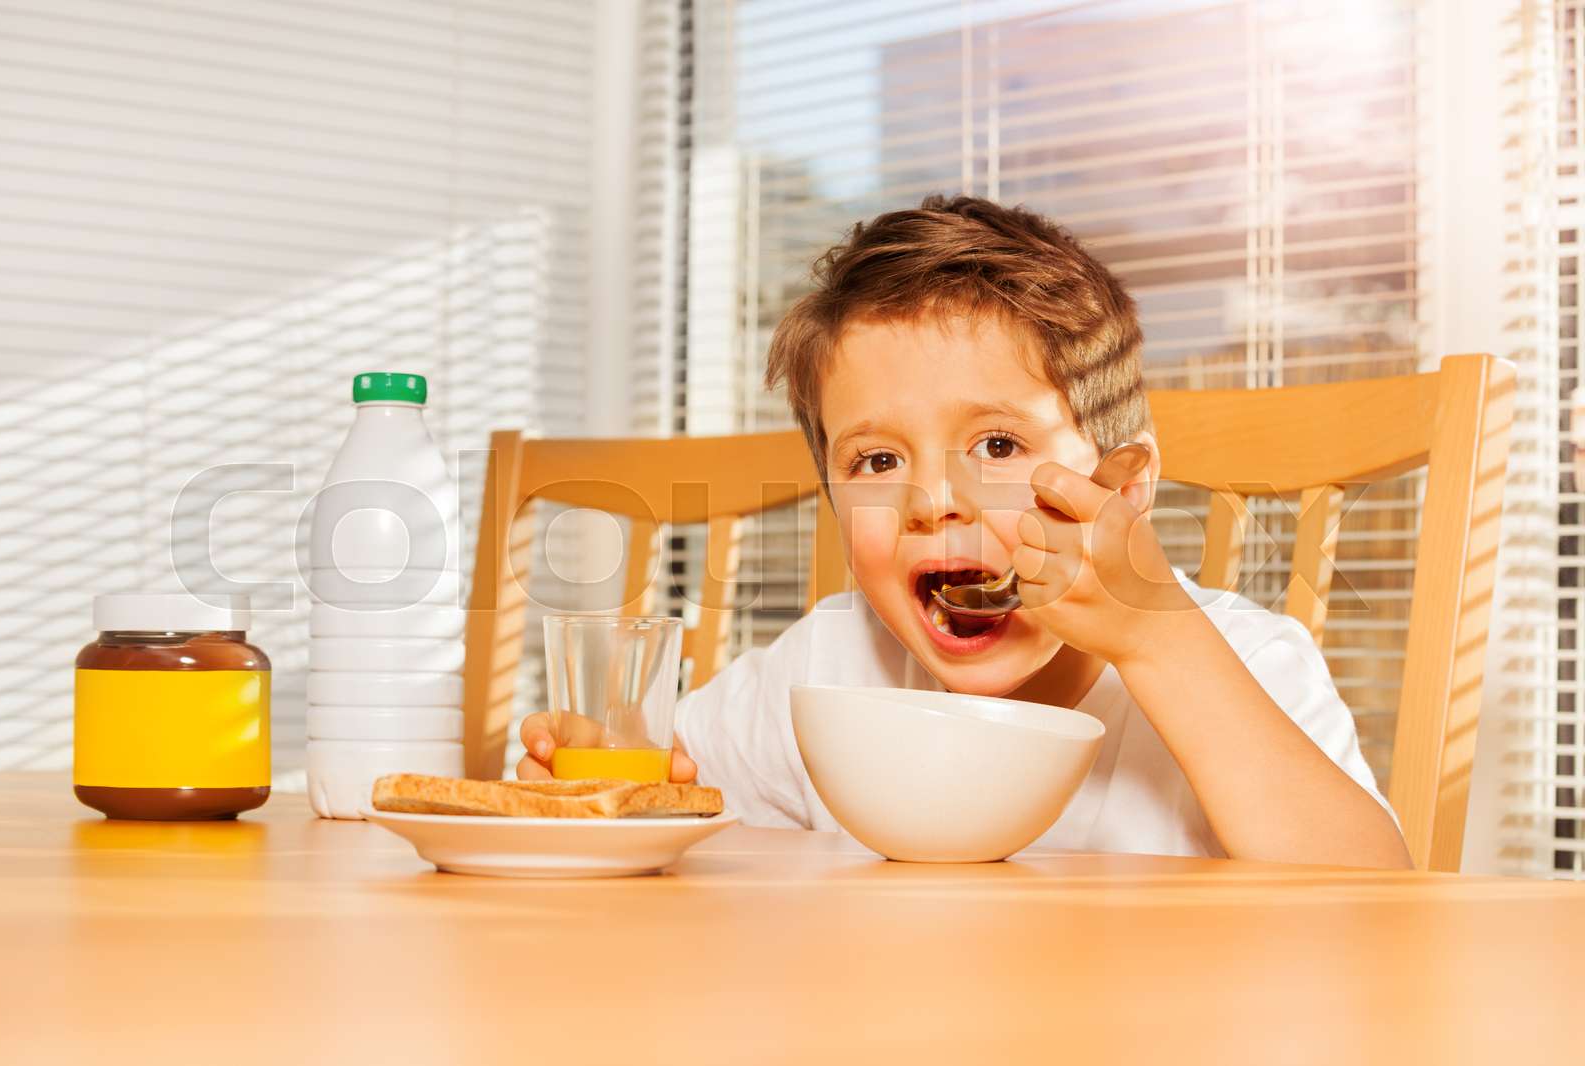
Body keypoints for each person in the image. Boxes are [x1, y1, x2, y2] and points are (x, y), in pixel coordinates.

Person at [520, 195, 1410, 869]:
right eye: (876, 462)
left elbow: (1371, 902)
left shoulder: (1239, 662)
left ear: (1126, 489)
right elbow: (674, 808)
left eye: (996, 444)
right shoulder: (829, 666)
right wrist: (613, 801)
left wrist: (1159, 636)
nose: (932, 501)